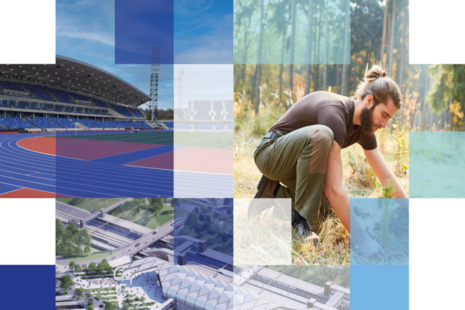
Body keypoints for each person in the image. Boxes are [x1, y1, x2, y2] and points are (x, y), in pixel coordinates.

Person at [252, 64, 407, 258]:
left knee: (329, 215)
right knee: (322, 135)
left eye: (389, 118)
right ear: (369, 100)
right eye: (384, 115)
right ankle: (301, 226)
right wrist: (364, 241)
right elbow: (334, 189)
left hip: (297, 164)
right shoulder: (335, 114)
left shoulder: (365, 128)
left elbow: (386, 176)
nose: (384, 125)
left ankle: (272, 192)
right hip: (270, 154)